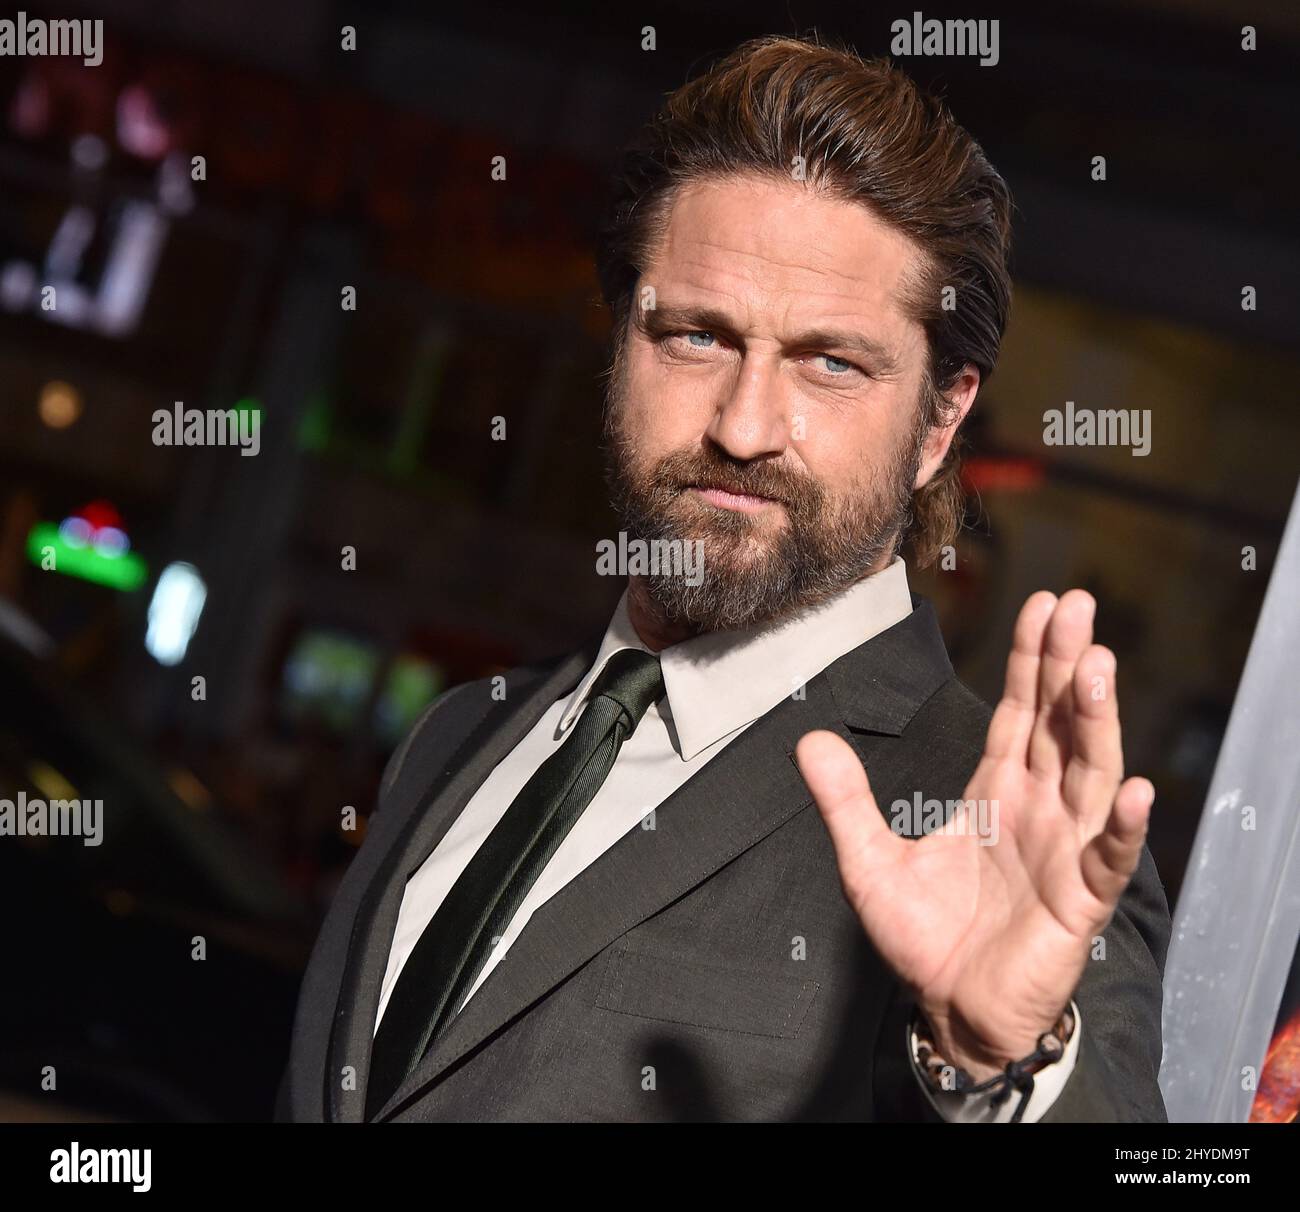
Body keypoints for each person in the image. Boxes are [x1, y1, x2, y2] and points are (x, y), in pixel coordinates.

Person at [276, 34, 1169, 1123]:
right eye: (696, 337)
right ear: (620, 349)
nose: (744, 428)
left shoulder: (992, 815)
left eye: (830, 363)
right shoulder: (460, 733)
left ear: (939, 422)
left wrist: (997, 1064)